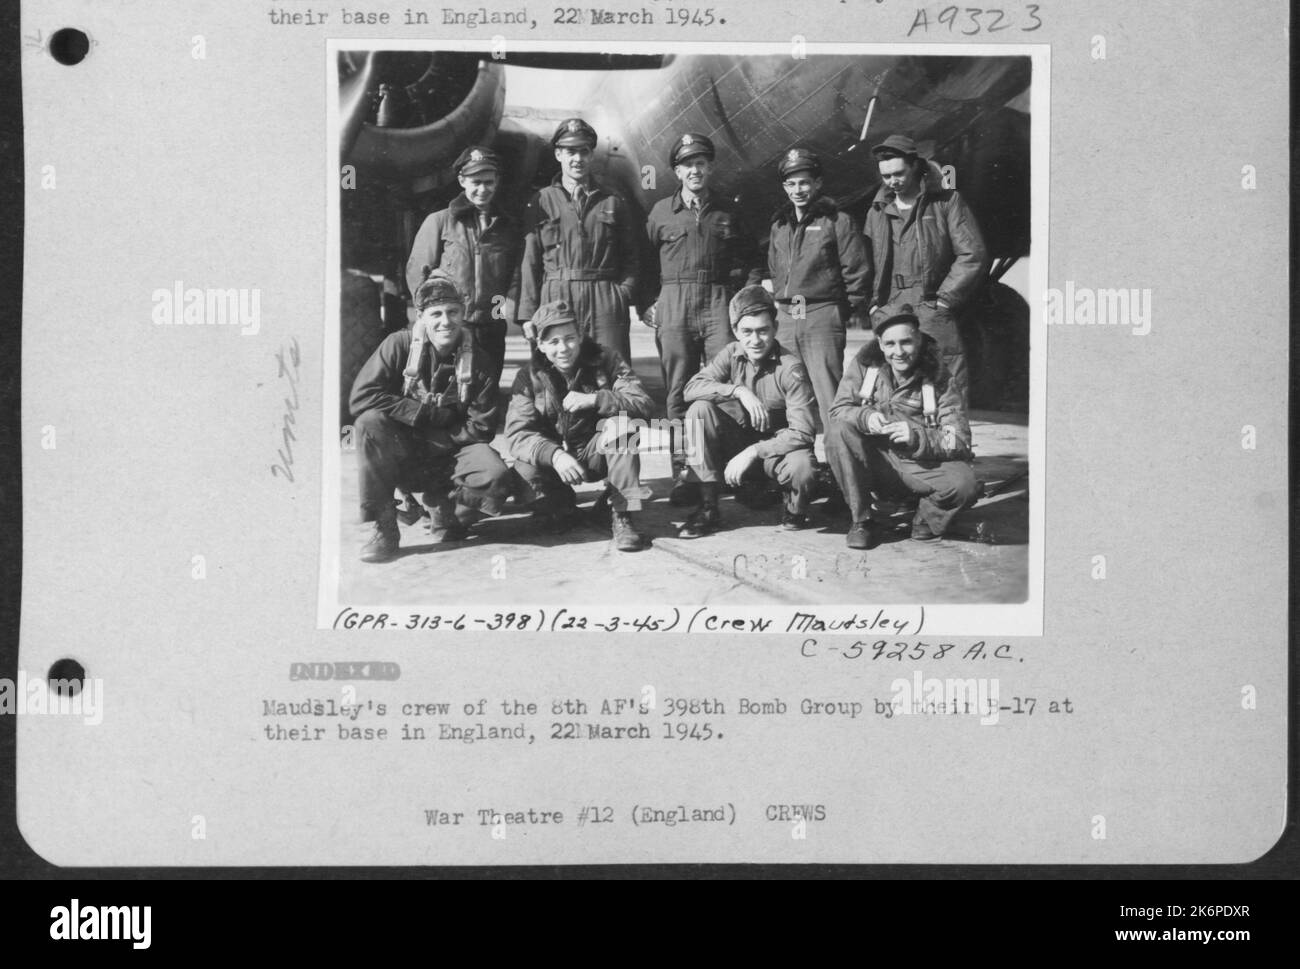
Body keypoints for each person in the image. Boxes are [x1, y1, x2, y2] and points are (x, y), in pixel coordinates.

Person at [350, 273, 515, 563]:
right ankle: (385, 527)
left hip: (450, 452)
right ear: (421, 317)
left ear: (463, 315)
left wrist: (439, 437)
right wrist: (423, 413)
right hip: (405, 450)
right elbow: (361, 397)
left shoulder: (480, 360)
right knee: (369, 424)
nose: (445, 321)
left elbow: (482, 428)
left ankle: (443, 507)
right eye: (436, 314)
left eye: (453, 312)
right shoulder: (398, 344)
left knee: (495, 474)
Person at [641, 132, 765, 506]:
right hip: (674, 303)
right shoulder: (661, 212)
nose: (695, 170)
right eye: (687, 165)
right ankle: (685, 471)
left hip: (717, 302)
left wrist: (746, 300)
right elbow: (644, 262)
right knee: (678, 390)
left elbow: (753, 260)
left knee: (724, 385)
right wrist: (647, 303)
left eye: (701, 163)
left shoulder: (729, 211)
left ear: (709, 167)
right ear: (677, 171)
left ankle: (729, 467)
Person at [824, 305, 979, 550]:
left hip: (918, 464)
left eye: (906, 342)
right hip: (877, 461)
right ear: (880, 343)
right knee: (838, 431)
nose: (899, 352)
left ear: (918, 339)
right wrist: (865, 417)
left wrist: (917, 436)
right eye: (890, 344)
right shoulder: (865, 366)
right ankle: (862, 521)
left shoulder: (939, 376)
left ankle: (925, 518)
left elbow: (958, 439)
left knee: (965, 485)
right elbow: (838, 410)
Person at [505, 300, 655, 552]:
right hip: (556, 464)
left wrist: (596, 399)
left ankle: (622, 514)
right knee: (523, 471)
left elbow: (643, 404)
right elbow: (518, 434)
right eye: (553, 342)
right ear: (540, 345)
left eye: (570, 338)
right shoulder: (528, 377)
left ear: (581, 336)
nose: (563, 348)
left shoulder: (606, 361)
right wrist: (554, 455)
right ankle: (563, 506)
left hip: (594, 452)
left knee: (622, 428)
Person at [677, 285, 817, 538]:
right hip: (739, 443)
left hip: (775, 451)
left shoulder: (791, 369)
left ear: (775, 328)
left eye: (763, 331)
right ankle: (708, 507)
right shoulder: (731, 354)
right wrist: (738, 391)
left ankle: (794, 509)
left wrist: (753, 452)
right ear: (735, 332)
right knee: (699, 410)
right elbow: (691, 388)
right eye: (747, 332)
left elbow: (804, 433)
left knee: (802, 466)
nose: (755, 340)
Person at [863, 134, 989, 407]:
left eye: (898, 173)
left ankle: (952, 443)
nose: (892, 182)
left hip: (931, 302)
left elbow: (972, 253)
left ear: (914, 166)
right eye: (886, 176)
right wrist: (875, 305)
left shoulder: (946, 201)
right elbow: (868, 262)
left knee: (946, 376)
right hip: (891, 304)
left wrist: (944, 299)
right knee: (894, 381)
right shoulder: (877, 210)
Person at [517, 118, 642, 363]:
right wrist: (527, 315)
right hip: (556, 296)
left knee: (612, 368)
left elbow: (631, 256)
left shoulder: (612, 201)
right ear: (558, 154)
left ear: (591, 155)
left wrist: (621, 295)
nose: (578, 159)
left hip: (604, 298)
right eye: (570, 152)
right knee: (557, 370)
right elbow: (528, 262)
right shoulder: (540, 201)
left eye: (584, 151)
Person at [767, 147, 871, 432]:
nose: (798, 190)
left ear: (817, 183)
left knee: (829, 395)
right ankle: (802, 465)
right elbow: (775, 269)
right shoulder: (779, 225)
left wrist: (840, 310)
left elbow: (856, 270)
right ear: (784, 186)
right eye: (791, 183)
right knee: (792, 393)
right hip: (787, 316)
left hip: (821, 314)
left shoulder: (837, 221)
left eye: (804, 182)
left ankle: (841, 465)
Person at [405, 146, 522, 387]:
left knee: (486, 394)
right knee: (445, 392)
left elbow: (511, 277)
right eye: (475, 181)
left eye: (488, 182)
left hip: (490, 328)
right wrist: (430, 316)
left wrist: (498, 313)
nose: (482, 189)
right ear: (462, 181)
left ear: (497, 181)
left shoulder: (506, 226)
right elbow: (418, 271)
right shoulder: (439, 221)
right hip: (451, 326)